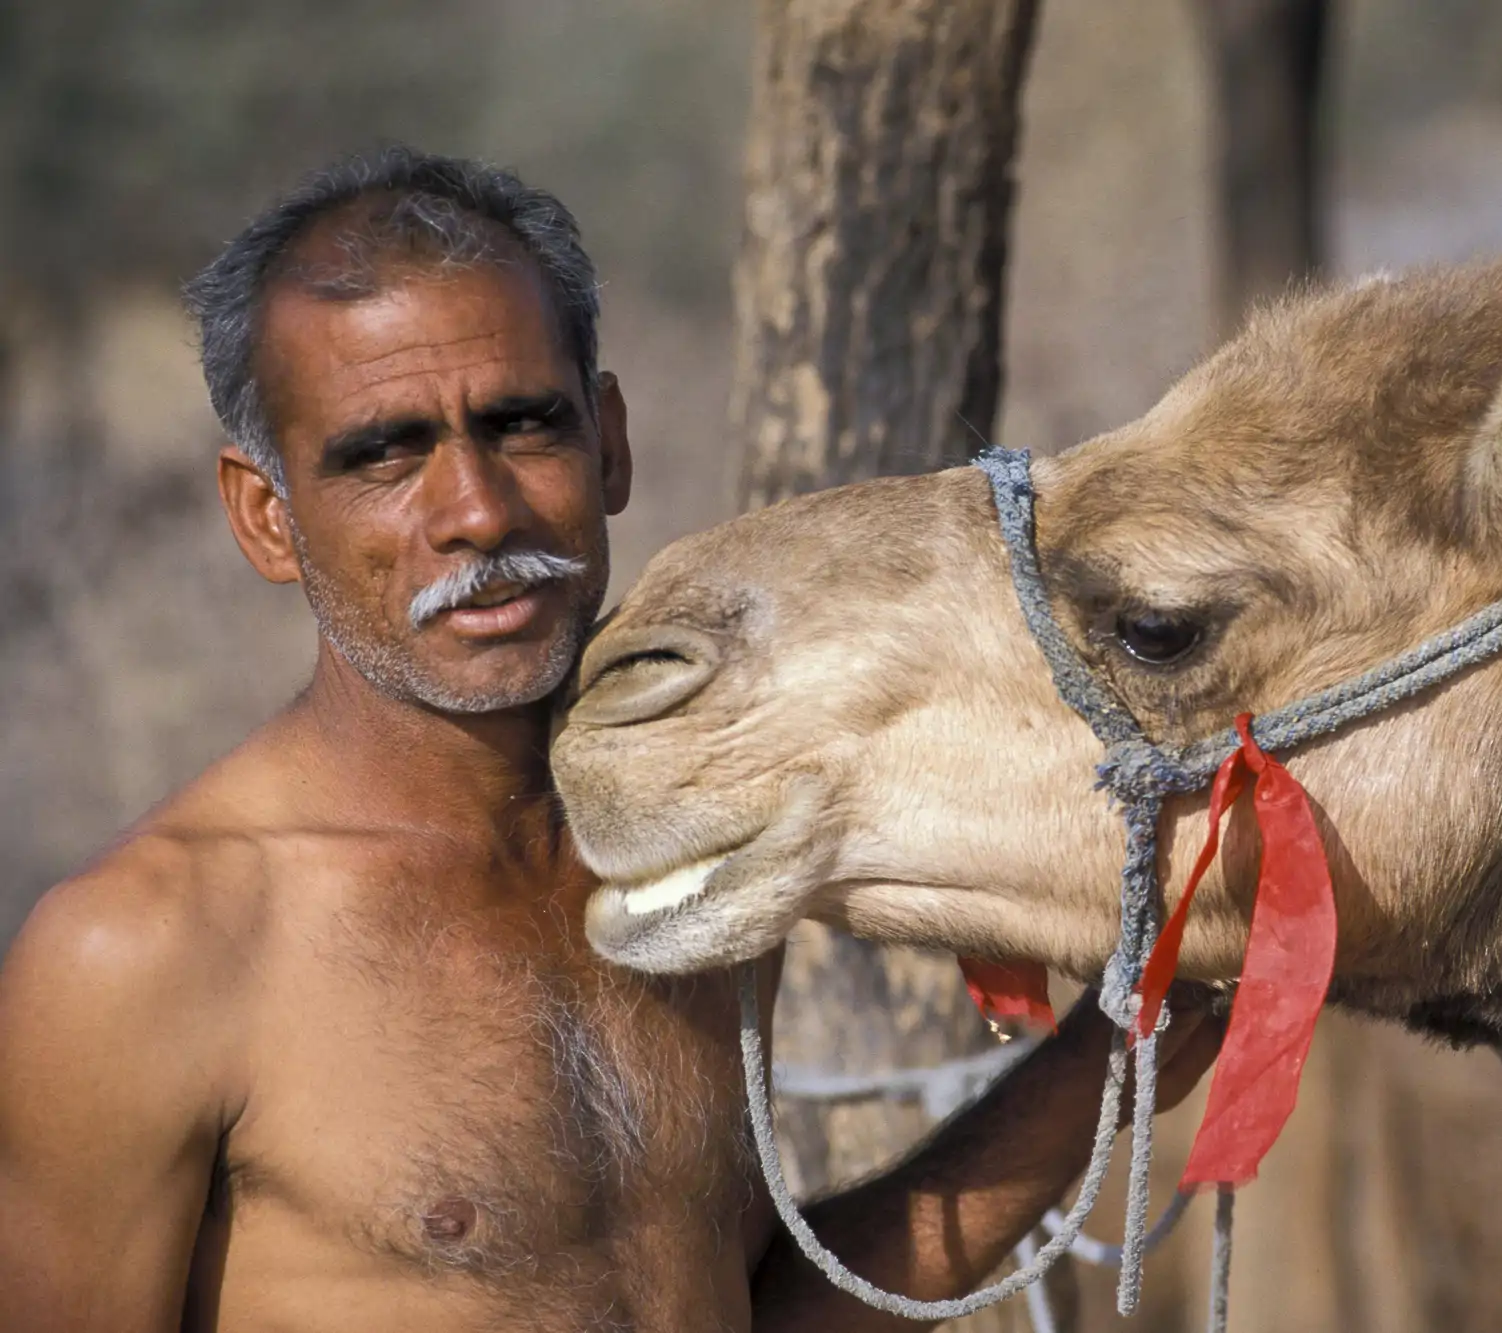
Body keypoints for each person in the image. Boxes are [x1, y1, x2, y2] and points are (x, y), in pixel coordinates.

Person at [0, 147, 1219, 1332]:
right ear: (267, 518)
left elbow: (737, 1306)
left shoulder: (686, 853)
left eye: (524, 425)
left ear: (610, 442)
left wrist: (1105, 1058)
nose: (475, 511)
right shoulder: (147, 949)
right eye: (383, 455)